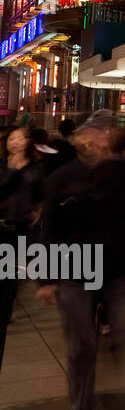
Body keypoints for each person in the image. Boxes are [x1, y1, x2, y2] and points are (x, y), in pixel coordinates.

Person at [37, 111, 125, 410]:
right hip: (74, 269)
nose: (104, 141)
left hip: (117, 266)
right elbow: (49, 230)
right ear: (83, 141)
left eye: (107, 137)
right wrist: (47, 279)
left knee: (120, 328)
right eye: (98, 136)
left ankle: (117, 345)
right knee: (81, 347)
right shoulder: (61, 179)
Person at [0, 126, 44, 374]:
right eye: (12, 137)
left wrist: (36, 210)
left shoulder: (34, 167)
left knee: (12, 273)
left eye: (21, 137)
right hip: (1, 225)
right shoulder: (2, 164)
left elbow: (40, 192)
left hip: (21, 227)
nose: (16, 141)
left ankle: (7, 307)